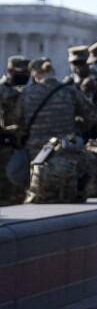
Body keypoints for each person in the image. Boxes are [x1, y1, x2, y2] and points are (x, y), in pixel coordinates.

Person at [8, 60, 97, 194]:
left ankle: (33, 190)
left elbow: (15, 119)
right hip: (66, 147)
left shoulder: (27, 93)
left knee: (15, 171)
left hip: (37, 152)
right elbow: (91, 115)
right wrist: (77, 127)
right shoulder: (69, 91)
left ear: (35, 75)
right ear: (53, 72)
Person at [0, 56, 31, 205]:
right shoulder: (1, 90)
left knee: (21, 192)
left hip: (24, 146)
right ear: (10, 70)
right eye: (21, 72)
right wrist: (8, 131)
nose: (25, 75)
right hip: (5, 148)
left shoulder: (29, 90)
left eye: (27, 72)